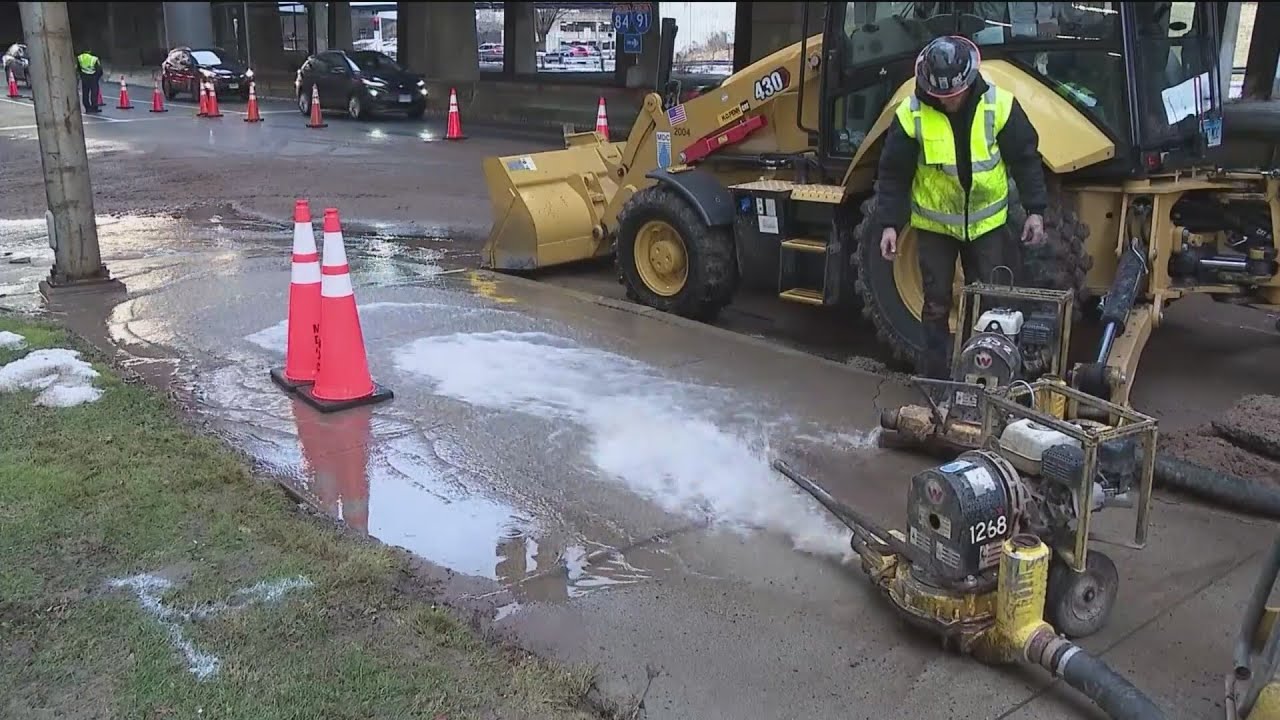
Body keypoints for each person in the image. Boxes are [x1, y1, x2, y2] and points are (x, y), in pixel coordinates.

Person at [875, 34, 1049, 379]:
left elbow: (1026, 159)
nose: (949, 100)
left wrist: (1035, 210)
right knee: (936, 304)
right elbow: (893, 173)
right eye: (942, 95)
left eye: (955, 93)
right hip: (935, 227)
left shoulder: (999, 105)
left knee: (991, 302)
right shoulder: (911, 115)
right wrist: (889, 224)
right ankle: (936, 377)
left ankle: (988, 375)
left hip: (988, 225)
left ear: (968, 79)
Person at [76, 47, 102, 114]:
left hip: (84, 77)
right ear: (90, 51)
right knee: (94, 92)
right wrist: (96, 78)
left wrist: (82, 75)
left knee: (85, 93)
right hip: (93, 77)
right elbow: (99, 70)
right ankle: (94, 107)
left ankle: (87, 108)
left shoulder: (80, 57)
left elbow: (78, 68)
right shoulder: (94, 59)